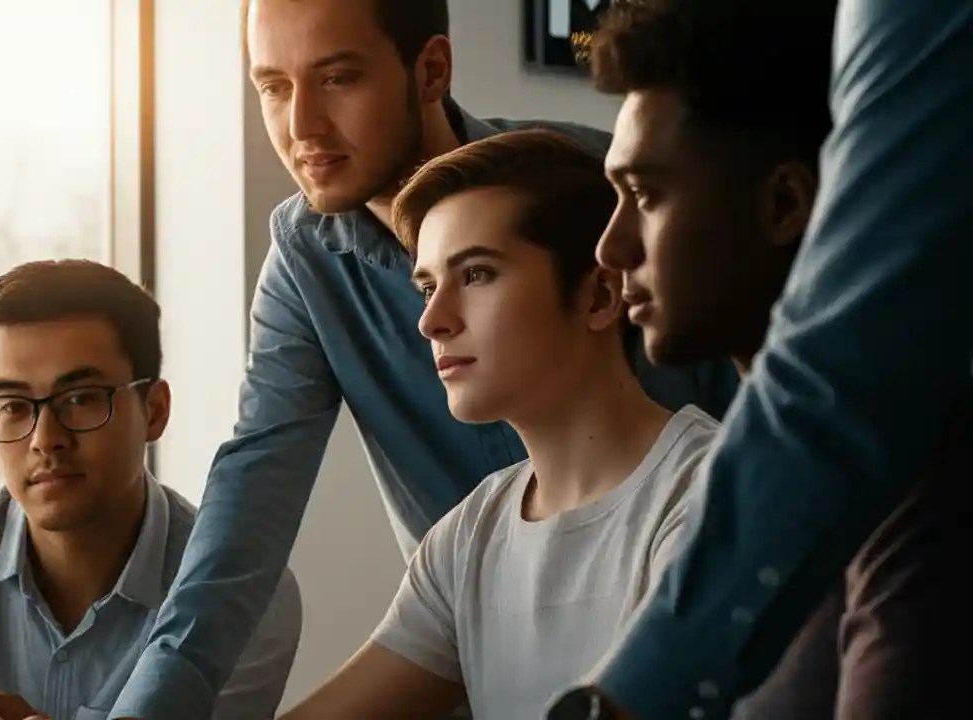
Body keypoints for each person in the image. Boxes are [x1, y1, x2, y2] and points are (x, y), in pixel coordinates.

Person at [111, 2, 738, 715]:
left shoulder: (605, 188)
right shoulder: (463, 544)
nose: (303, 127)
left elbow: (763, 370)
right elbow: (247, 508)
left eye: (338, 78)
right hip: (467, 646)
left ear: (431, 68)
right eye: (273, 88)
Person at [545, 1, 973, 718]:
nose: (610, 251)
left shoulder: (921, 497)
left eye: (645, 196)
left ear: (785, 204)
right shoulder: (729, 496)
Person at [280, 128, 719, 719]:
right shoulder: (468, 537)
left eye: (478, 275)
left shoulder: (708, 498)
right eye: (429, 286)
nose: (432, 321)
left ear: (599, 296)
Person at [0, 260, 302, 720]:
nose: (45, 438)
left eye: (81, 399)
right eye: (12, 405)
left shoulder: (245, 595)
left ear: (154, 410)